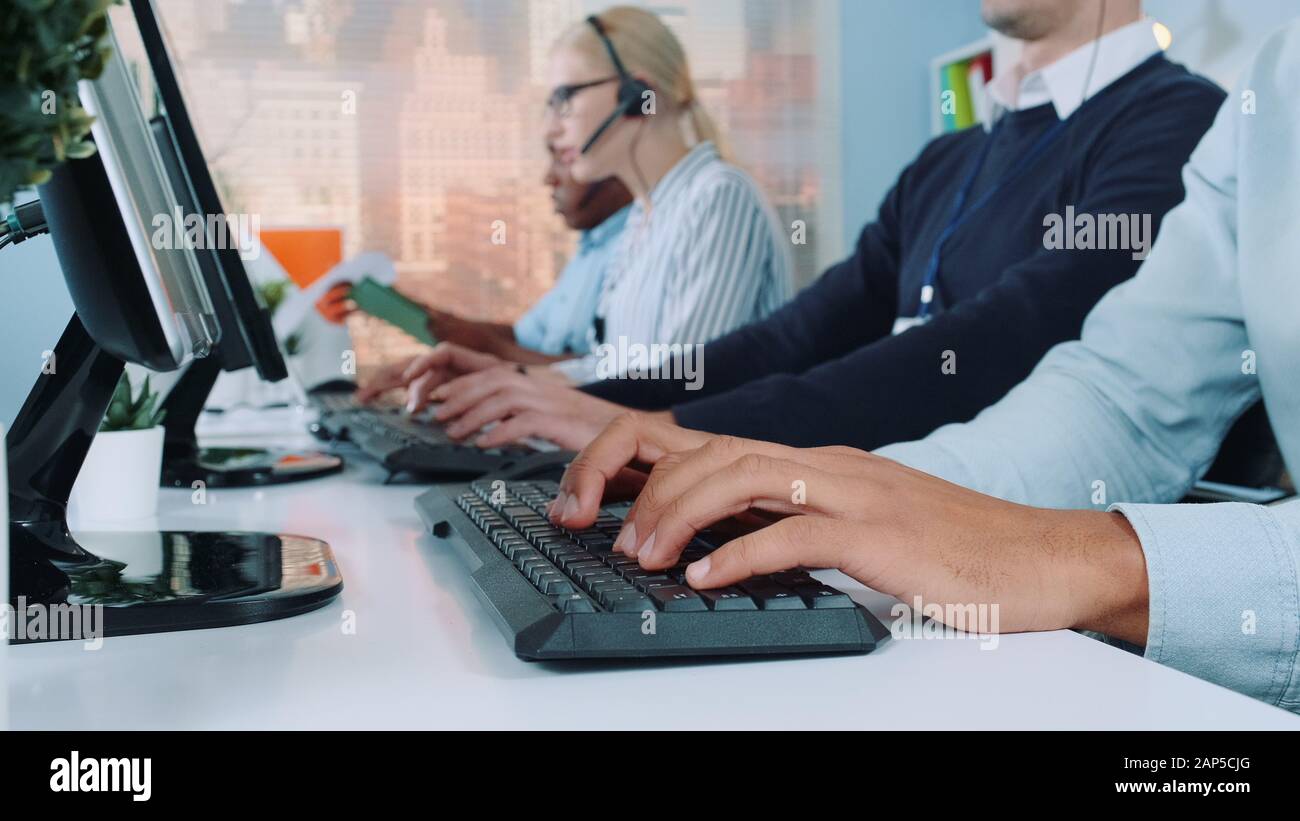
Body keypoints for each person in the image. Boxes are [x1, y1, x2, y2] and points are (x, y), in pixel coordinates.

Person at [548, 20, 1300, 712]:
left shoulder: (1169, 115)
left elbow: (998, 337)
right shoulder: (1267, 90)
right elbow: (1124, 398)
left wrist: (1092, 561)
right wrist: (856, 488)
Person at [396, 0, 1227, 452]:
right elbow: (787, 340)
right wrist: (567, 393)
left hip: (988, 556)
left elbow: (1009, 336)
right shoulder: (946, 160)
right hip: (851, 514)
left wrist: (669, 431)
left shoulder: (1175, 121)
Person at [363, 5, 794, 412]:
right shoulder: (645, 219)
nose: (552, 126)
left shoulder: (717, 197)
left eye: (565, 99)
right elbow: (614, 371)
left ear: (636, 94)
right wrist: (497, 375)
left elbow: (681, 388)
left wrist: (517, 389)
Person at [324, 143, 631, 381]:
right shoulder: (590, 246)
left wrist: (488, 351)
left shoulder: (634, 249)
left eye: (564, 158)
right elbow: (525, 338)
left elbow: (614, 373)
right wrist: (430, 319)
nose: (548, 178)